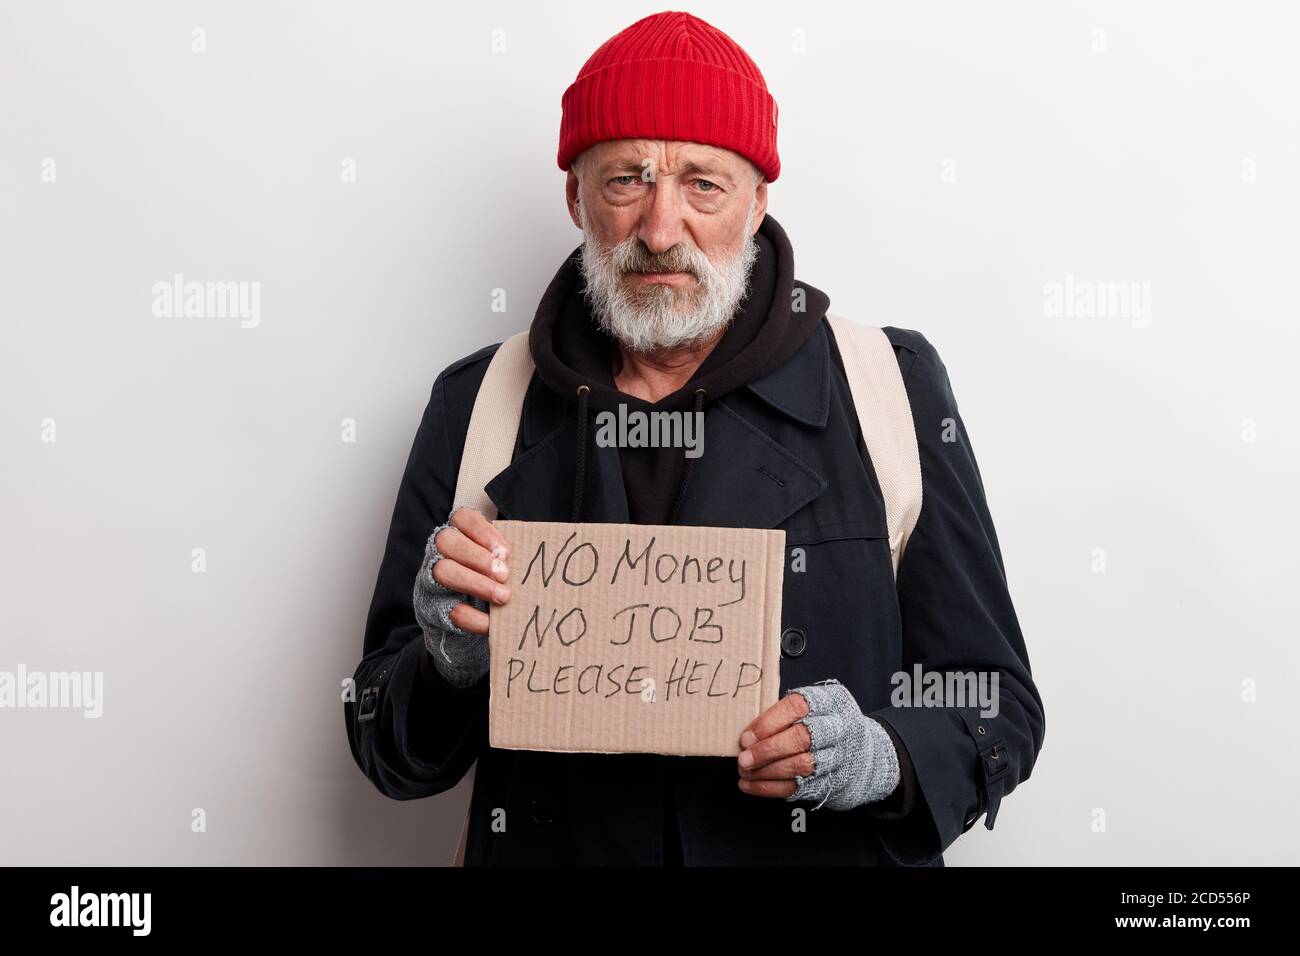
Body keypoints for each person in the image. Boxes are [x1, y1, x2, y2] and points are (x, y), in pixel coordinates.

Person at [345, 10, 1045, 866]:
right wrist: (448, 664)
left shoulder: (887, 386)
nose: (662, 229)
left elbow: (996, 700)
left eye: (703, 184)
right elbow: (384, 745)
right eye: (627, 180)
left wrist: (886, 758)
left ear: (757, 203)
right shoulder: (479, 402)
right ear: (574, 198)